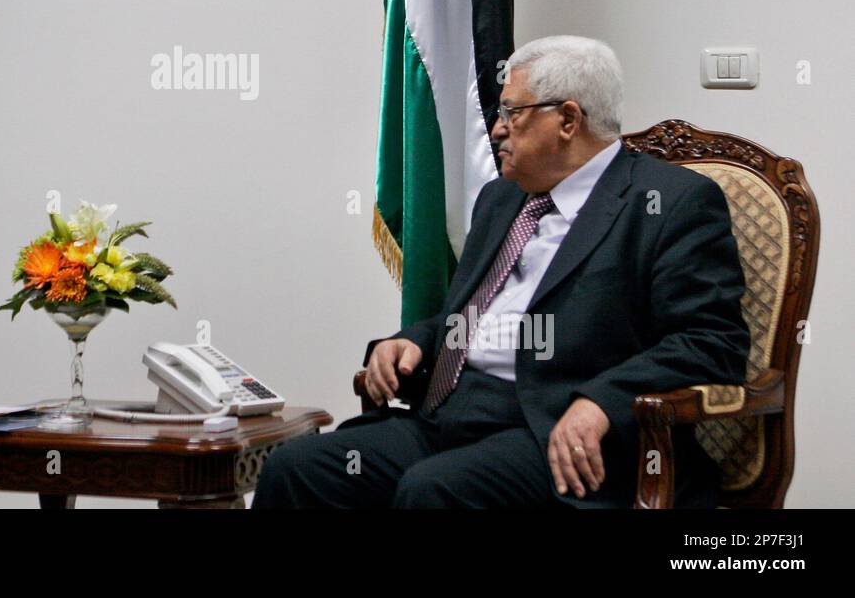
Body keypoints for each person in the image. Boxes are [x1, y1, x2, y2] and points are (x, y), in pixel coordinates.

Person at [254, 36, 750, 508]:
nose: (496, 128)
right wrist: (414, 343)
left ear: (568, 120)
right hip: (450, 417)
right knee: (298, 467)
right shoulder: (502, 198)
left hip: (556, 430)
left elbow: (711, 341)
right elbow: (471, 317)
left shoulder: (668, 203)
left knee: (435, 490)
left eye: (512, 112)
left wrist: (600, 403)